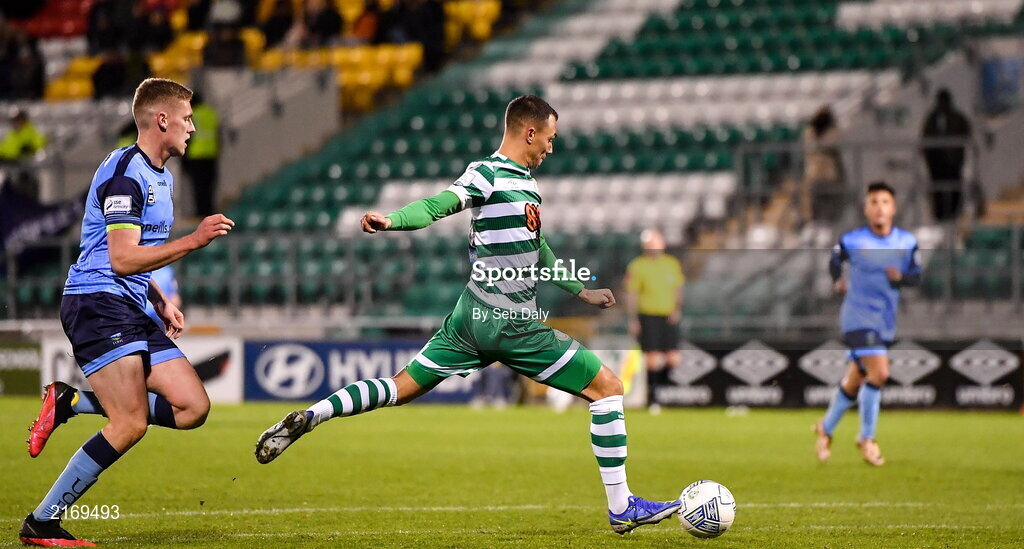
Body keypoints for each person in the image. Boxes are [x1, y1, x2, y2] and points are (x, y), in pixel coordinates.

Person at [255, 95, 682, 534]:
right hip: (510, 323)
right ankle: (622, 506)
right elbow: (438, 204)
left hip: (470, 316)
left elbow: (538, 247)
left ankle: (313, 416)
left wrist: (581, 290)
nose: (551, 148)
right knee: (608, 389)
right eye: (550, 138)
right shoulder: (487, 173)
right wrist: (393, 220)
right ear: (530, 133)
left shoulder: (527, 184)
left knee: (400, 387)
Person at [18, 78, 234, 547]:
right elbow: (119, 259)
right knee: (130, 423)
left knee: (193, 407)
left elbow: (133, 252)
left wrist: (158, 299)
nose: (193, 128)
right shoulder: (126, 175)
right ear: (162, 120)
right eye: (187, 119)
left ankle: (73, 402)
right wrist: (194, 240)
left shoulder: (162, 176)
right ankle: (42, 521)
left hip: (129, 305)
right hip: (96, 303)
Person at [814, 181, 921, 467]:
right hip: (857, 318)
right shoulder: (853, 240)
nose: (879, 208)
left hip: (885, 321)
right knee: (881, 373)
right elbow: (834, 258)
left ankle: (825, 428)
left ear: (893, 208)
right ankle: (867, 438)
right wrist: (837, 279)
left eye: (884, 202)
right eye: (873, 202)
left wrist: (902, 278)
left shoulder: (906, 242)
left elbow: (917, 276)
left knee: (856, 378)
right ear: (866, 208)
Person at [624, 228, 684, 413]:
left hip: (668, 315)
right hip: (648, 315)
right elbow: (632, 293)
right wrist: (633, 319)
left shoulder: (671, 264)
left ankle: (662, 391)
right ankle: (653, 399)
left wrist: (676, 308)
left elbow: (677, 288)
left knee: (673, 359)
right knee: (652, 359)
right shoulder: (637, 266)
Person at [921, 89, 971, 223]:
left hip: (953, 161)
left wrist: (958, 154)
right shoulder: (932, 119)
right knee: (937, 190)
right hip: (936, 161)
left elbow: (966, 136)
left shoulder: (958, 118)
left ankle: (955, 215)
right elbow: (925, 138)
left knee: (955, 188)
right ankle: (939, 216)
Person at [802, 105, 843, 226]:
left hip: (828, 174)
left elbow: (831, 144)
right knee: (815, 203)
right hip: (814, 173)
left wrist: (827, 131)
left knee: (829, 203)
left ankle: (828, 225)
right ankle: (816, 224)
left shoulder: (831, 132)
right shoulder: (810, 131)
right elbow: (811, 145)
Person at [181, 91, 220, 217]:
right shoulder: (211, 113)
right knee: (210, 185)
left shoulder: (192, 116)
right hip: (211, 154)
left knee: (199, 187)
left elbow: (188, 137)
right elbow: (218, 134)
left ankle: (201, 213)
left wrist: (184, 159)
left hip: (196, 155)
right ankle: (209, 210)